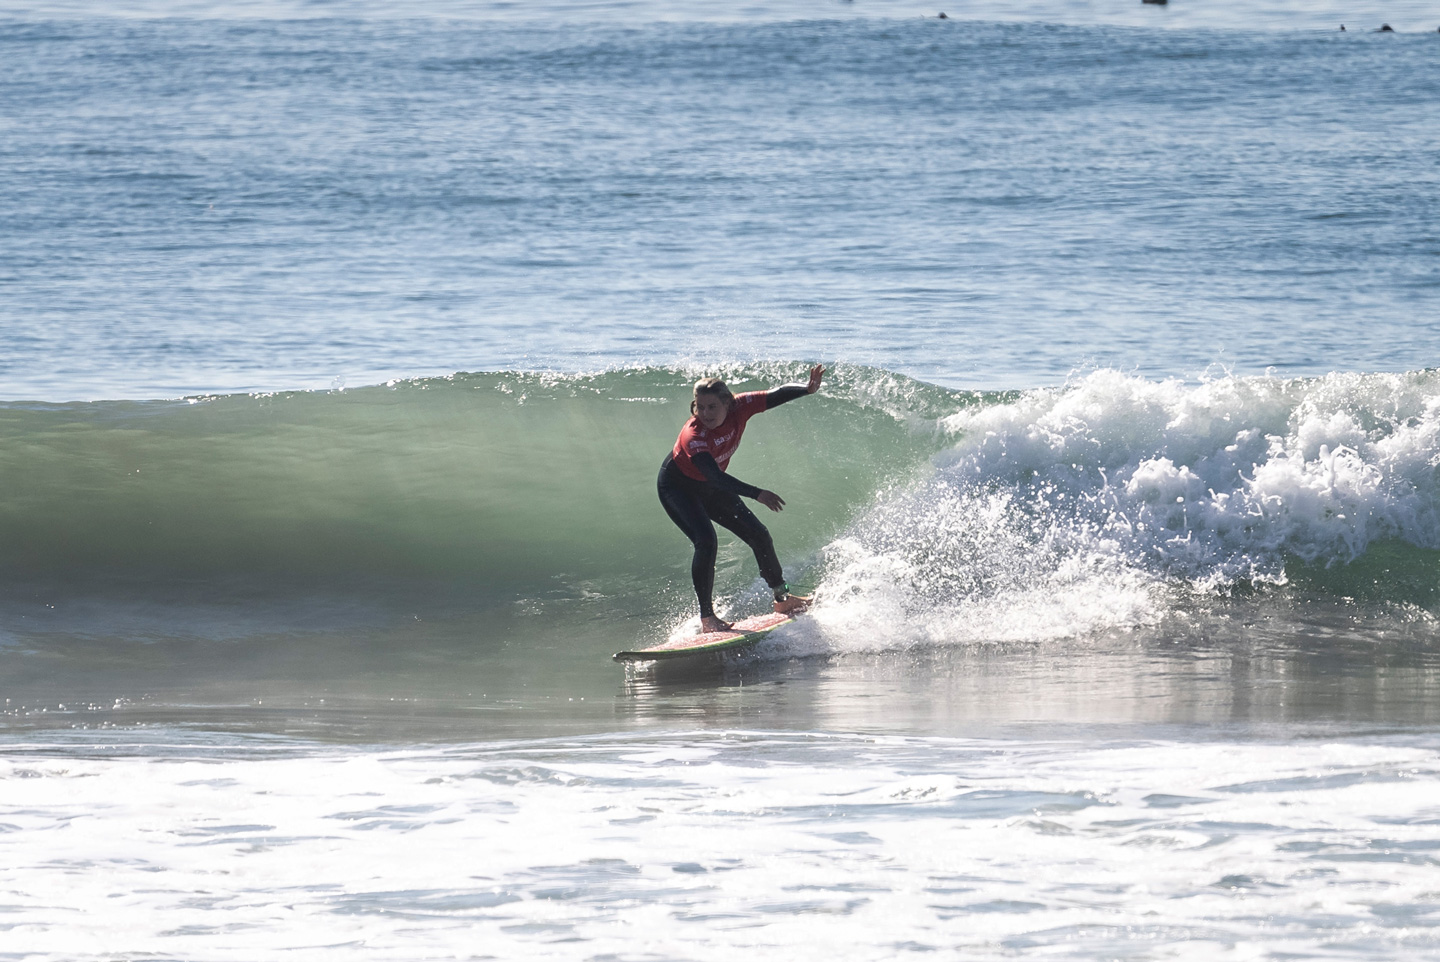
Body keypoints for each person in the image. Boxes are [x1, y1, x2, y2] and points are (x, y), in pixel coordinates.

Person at [658, 364, 825, 632]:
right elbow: (715, 477)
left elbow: (775, 395)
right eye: (700, 407)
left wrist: (806, 389)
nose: (705, 413)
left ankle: (782, 599)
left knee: (758, 534)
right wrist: (757, 493)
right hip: (678, 488)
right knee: (706, 541)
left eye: (712, 407)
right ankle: (708, 619)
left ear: (727, 403)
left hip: (709, 486)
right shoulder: (694, 435)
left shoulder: (741, 406)